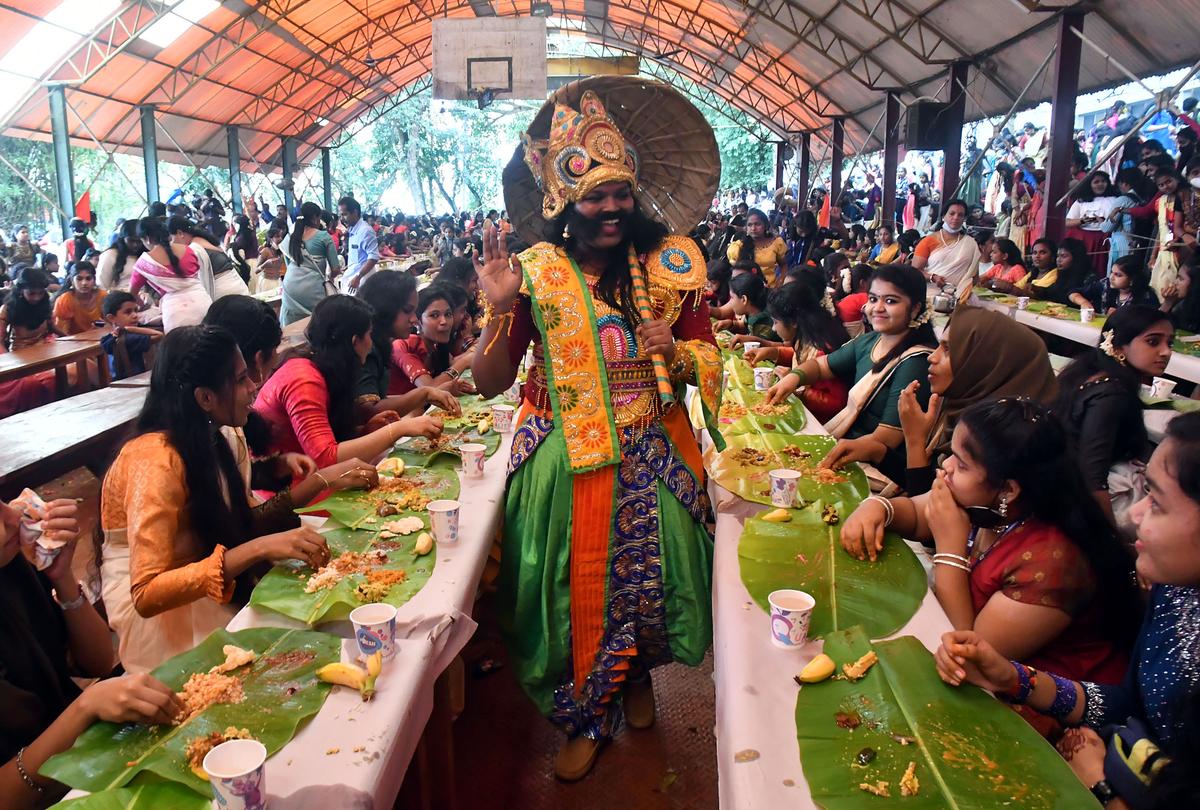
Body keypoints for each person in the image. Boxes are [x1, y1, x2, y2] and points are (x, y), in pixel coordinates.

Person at [470, 85, 723, 780]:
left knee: (650, 586)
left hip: (654, 449)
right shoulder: (536, 276)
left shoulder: (673, 268)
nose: (611, 209)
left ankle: (634, 679)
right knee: (562, 592)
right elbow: (489, 383)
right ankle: (586, 714)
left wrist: (674, 347)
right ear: (560, 203)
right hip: (564, 458)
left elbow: (711, 365)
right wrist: (497, 312)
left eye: (621, 194)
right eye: (594, 197)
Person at [934, 412, 1200, 809]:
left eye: (1157, 503)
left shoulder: (1055, 555)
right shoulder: (1177, 593)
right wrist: (1015, 679)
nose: (1134, 515)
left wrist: (1102, 788)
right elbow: (1130, 701)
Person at [841, 398, 1137, 703]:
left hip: (1040, 704)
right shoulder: (986, 503)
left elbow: (966, 655)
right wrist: (878, 507)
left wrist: (950, 547)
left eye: (962, 463)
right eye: (951, 454)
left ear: (1008, 489)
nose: (946, 466)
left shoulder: (1053, 560)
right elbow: (917, 514)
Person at [100, 325, 353, 672]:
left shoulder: (211, 434)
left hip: (206, 579)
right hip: (166, 617)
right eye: (240, 380)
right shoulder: (154, 460)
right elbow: (146, 592)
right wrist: (260, 548)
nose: (254, 387)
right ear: (205, 398)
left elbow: (245, 522)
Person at [0, 492, 187, 808]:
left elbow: (98, 661)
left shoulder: (12, 568)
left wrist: (63, 577)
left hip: (86, 758)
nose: (11, 517)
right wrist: (84, 709)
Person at [824, 306, 1058, 496]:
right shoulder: (957, 406)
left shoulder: (1007, 439)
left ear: (984, 363)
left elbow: (932, 512)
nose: (932, 357)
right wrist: (877, 451)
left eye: (947, 350)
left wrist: (915, 441)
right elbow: (923, 484)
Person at [765, 263, 935, 487]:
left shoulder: (916, 363)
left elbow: (886, 441)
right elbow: (821, 366)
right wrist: (793, 378)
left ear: (915, 309)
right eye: (873, 299)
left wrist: (827, 454)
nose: (878, 308)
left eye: (891, 301)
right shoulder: (870, 341)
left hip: (876, 466)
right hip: (848, 445)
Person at [253, 294, 443, 468]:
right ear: (355, 341)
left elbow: (328, 437)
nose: (371, 342)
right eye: (369, 334)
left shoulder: (323, 369)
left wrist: (365, 431)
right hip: (291, 491)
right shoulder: (303, 379)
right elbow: (325, 457)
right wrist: (399, 429)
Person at [1055, 305, 1172, 534]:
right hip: (1081, 504)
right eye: (1153, 342)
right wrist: (1109, 540)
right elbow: (1093, 476)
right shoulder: (1112, 394)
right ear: (1118, 346)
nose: (1166, 352)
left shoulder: (1089, 373)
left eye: (1170, 343)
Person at [354, 272, 462, 421]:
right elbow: (367, 409)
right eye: (407, 311)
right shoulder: (366, 347)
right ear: (385, 308)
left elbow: (381, 398)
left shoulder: (382, 344)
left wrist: (428, 395)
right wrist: (424, 394)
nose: (413, 319)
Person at [745, 278, 849, 422]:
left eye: (775, 322)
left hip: (821, 423)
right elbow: (799, 355)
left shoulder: (825, 347)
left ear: (793, 322)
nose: (774, 328)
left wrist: (798, 386)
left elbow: (837, 403)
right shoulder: (808, 335)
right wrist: (772, 352)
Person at [389, 283, 476, 396]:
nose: (444, 321)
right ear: (418, 322)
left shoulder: (435, 345)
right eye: (434, 315)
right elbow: (430, 388)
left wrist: (473, 352)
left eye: (448, 314)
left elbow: (452, 363)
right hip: (400, 413)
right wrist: (464, 362)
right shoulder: (403, 345)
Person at [131, 217, 213, 332]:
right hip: (203, 303)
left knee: (180, 347)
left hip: (176, 312)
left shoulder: (144, 263)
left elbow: (132, 293)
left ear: (148, 239)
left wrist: (145, 306)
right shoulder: (189, 250)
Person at [280, 201, 341, 325]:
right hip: (312, 288)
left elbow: (288, 262)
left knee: (292, 326)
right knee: (316, 323)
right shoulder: (324, 236)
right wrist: (330, 277)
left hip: (290, 285)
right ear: (315, 218)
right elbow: (336, 269)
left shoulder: (291, 237)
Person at [911, 199, 981, 303]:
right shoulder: (928, 241)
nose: (956, 217)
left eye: (960, 215)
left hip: (960, 298)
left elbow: (974, 276)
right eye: (952, 213)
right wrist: (933, 277)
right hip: (930, 297)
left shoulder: (971, 244)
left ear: (964, 219)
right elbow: (914, 271)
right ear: (944, 216)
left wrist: (963, 292)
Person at [1065, 171, 1120, 278]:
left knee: (1102, 269)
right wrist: (1083, 220)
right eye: (1096, 182)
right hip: (1084, 239)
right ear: (1089, 184)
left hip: (1105, 239)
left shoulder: (1114, 200)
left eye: (1103, 181)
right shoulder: (1081, 201)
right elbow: (1067, 222)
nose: (1100, 184)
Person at [99, 290, 160, 379]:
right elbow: (159, 335)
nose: (135, 315)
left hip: (118, 381)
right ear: (111, 318)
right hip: (135, 380)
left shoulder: (108, 338)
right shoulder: (130, 338)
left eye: (136, 310)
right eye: (128, 312)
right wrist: (132, 329)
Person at [1068, 255, 1159, 314]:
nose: (1111, 277)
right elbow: (1073, 293)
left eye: (1118, 275)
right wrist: (1084, 302)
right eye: (1112, 272)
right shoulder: (1105, 285)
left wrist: (1120, 317)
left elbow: (1151, 321)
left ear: (1132, 279)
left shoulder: (1146, 296)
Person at [0, 266, 56, 351]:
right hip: (19, 355)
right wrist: (8, 361)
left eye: (41, 293)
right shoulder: (8, 308)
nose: (37, 298)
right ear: (21, 291)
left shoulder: (44, 303)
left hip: (44, 351)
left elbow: (52, 328)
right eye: (31, 293)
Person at [727, 208, 787, 286]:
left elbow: (783, 265)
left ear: (765, 225)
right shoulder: (738, 246)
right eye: (750, 225)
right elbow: (735, 272)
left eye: (757, 224)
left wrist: (781, 280)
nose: (753, 228)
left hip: (770, 289)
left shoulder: (776, 243)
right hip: (746, 290)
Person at [50, 261, 105, 335]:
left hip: (100, 339)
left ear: (94, 280)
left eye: (88, 278)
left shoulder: (103, 296)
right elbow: (61, 332)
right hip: (73, 342)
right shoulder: (65, 300)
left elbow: (111, 323)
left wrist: (99, 328)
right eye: (79, 279)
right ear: (72, 281)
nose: (84, 283)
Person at [1027, 238, 1089, 304]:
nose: (1058, 260)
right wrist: (1035, 289)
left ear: (1076, 258)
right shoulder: (1063, 274)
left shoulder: (1088, 277)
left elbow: (1066, 296)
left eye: (1063, 256)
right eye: (1057, 256)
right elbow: (1052, 293)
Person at [338, 196, 378, 294]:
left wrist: (358, 277)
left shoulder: (365, 231)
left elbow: (373, 258)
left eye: (345, 214)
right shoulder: (351, 230)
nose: (342, 219)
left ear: (355, 212)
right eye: (341, 215)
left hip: (362, 281)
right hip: (352, 278)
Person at [725, 271, 778, 342]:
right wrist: (731, 324)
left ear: (744, 299)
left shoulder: (765, 319)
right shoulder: (752, 311)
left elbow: (765, 345)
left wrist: (751, 339)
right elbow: (745, 326)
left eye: (732, 297)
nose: (730, 302)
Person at [95, 219, 144, 292]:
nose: (135, 245)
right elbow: (102, 286)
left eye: (139, 241)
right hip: (118, 300)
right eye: (131, 240)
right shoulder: (110, 255)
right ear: (122, 238)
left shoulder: (145, 255)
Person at [1161, 260, 1200, 332]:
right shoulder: (1181, 305)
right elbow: (1155, 326)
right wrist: (1167, 303)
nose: (1175, 282)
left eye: (1181, 279)